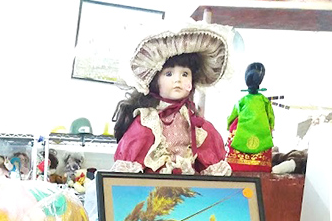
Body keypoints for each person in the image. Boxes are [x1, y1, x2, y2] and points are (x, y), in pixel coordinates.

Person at [112, 21, 232, 176]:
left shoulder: (195, 123)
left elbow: (210, 155)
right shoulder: (149, 121)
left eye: (185, 74)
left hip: (189, 188)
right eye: (169, 74)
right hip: (154, 188)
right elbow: (131, 160)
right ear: (156, 80)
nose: (178, 80)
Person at [226, 62, 275, 172]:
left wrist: (229, 124)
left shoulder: (242, 101)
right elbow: (271, 117)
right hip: (262, 132)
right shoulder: (264, 100)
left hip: (241, 133)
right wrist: (271, 127)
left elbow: (233, 116)